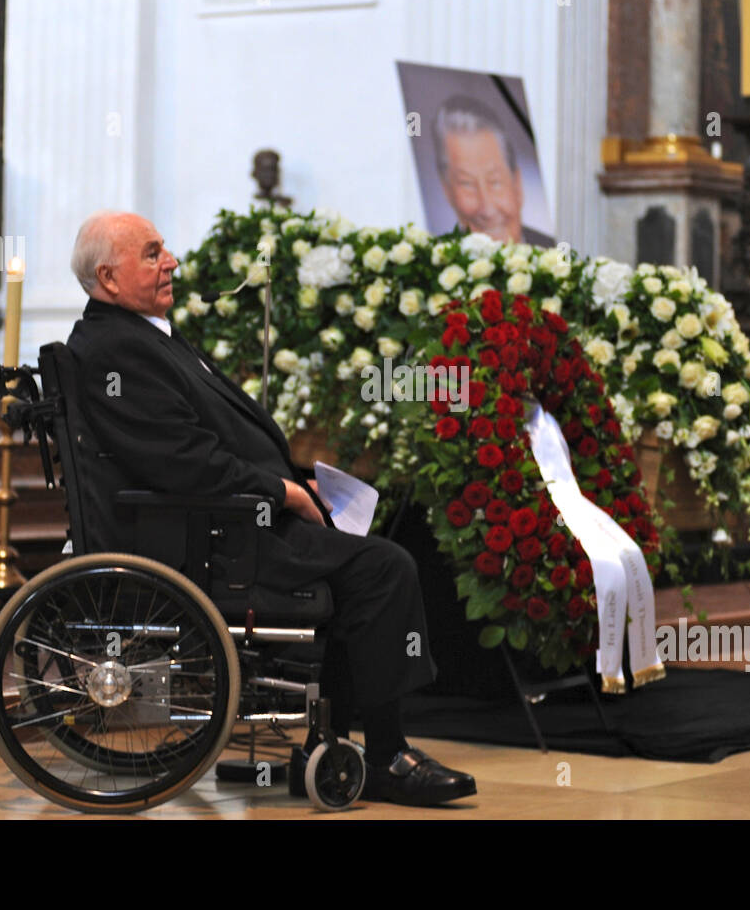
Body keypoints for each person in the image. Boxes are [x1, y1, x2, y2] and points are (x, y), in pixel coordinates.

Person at [64, 210, 476, 807]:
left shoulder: (142, 334)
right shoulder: (113, 351)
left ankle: (328, 742)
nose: (171, 260)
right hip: (209, 539)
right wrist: (282, 492)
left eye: (164, 249)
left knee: (367, 555)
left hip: (231, 520)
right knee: (383, 570)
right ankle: (386, 755)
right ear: (107, 276)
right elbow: (180, 461)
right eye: (152, 253)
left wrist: (297, 481)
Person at [431, 94, 555, 247]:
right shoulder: (435, 260)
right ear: (447, 191)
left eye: (495, 182)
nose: (487, 209)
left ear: (517, 184)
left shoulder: (555, 256)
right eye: (467, 184)